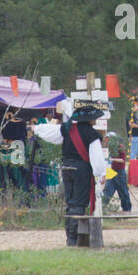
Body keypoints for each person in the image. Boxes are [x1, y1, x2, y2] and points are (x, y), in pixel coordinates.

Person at [34, 102, 107, 246]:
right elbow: (96, 156)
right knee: (78, 204)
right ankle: (74, 238)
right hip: (81, 170)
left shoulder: (67, 129)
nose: (95, 120)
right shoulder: (91, 134)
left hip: (66, 168)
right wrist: (101, 173)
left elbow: (51, 133)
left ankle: (70, 236)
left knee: (70, 203)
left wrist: (36, 128)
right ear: (89, 119)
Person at [101, 135, 133, 213]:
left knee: (123, 191)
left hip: (120, 172)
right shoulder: (110, 148)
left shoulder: (120, 147)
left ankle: (127, 208)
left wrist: (112, 159)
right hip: (112, 170)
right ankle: (102, 206)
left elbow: (122, 160)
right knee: (107, 190)